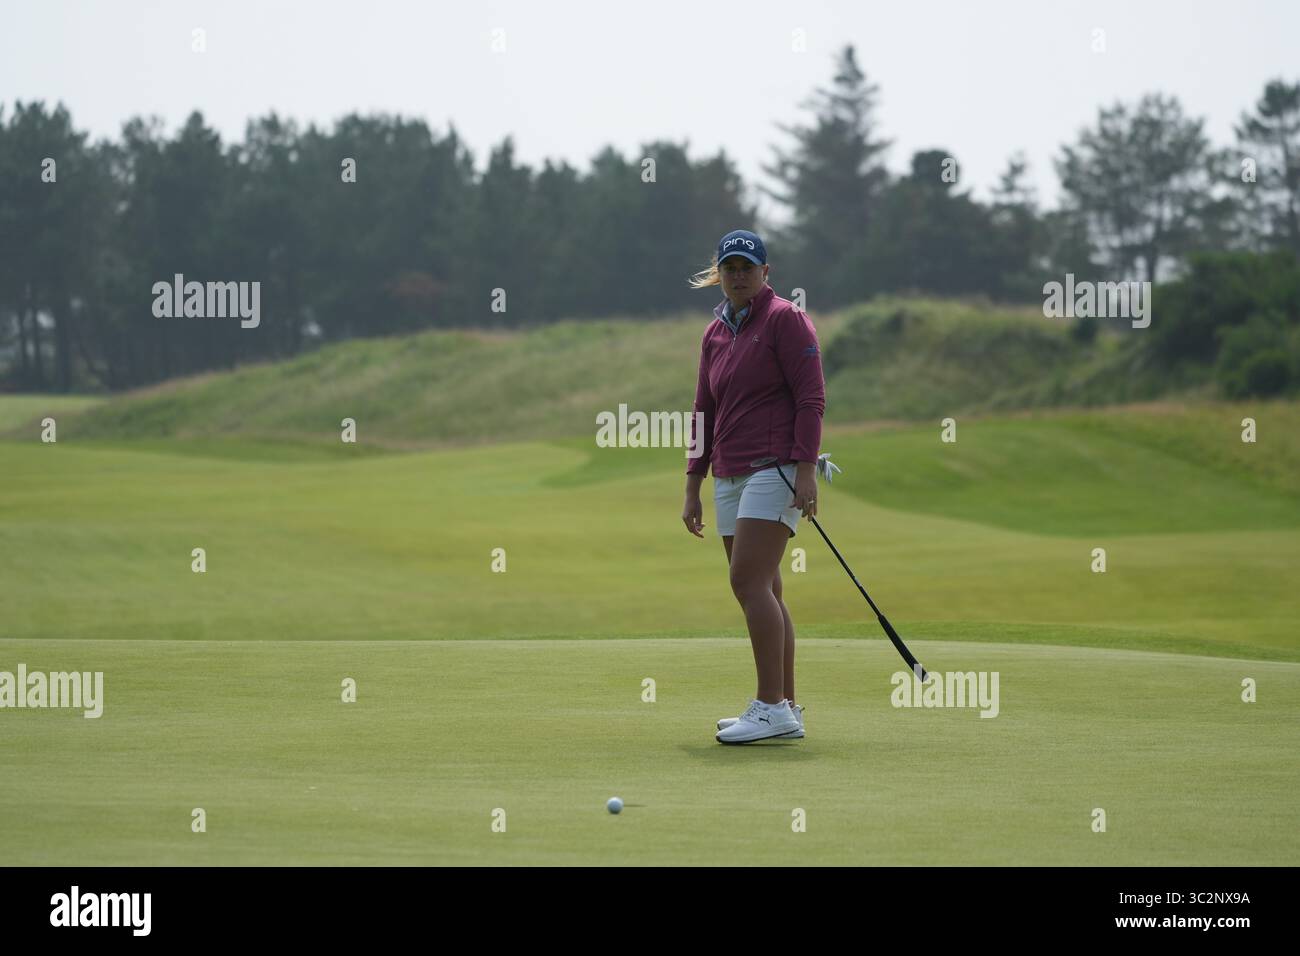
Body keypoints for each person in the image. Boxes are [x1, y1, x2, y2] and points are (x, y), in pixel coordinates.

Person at [681, 229, 826, 744]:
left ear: (766, 272)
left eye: (748, 267)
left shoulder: (785, 319)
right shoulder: (715, 332)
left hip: (776, 467)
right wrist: (692, 483)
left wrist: (806, 469)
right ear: (719, 273)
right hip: (728, 470)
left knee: (746, 583)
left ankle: (769, 707)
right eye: (730, 268)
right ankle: (784, 706)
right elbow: (704, 410)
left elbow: (811, 399)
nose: (738, 276)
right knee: (766, 586)